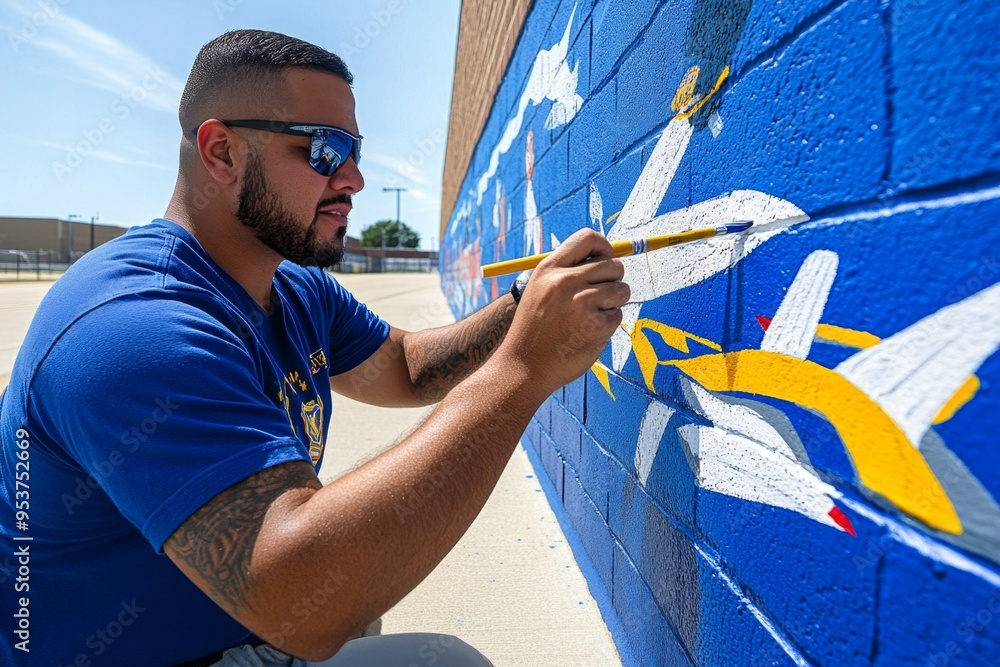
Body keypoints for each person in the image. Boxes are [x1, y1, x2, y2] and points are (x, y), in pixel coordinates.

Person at [0, 30, 628, 666]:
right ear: (222, 151)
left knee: (361, 583)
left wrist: (525, 305)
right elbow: (300, 594)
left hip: (243, 626)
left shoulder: (291, 283)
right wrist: (523, 371)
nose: (353, 178)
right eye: (324, 150)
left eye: (354, 150)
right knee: (439, 660)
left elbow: (406, 368)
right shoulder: (133, 328)